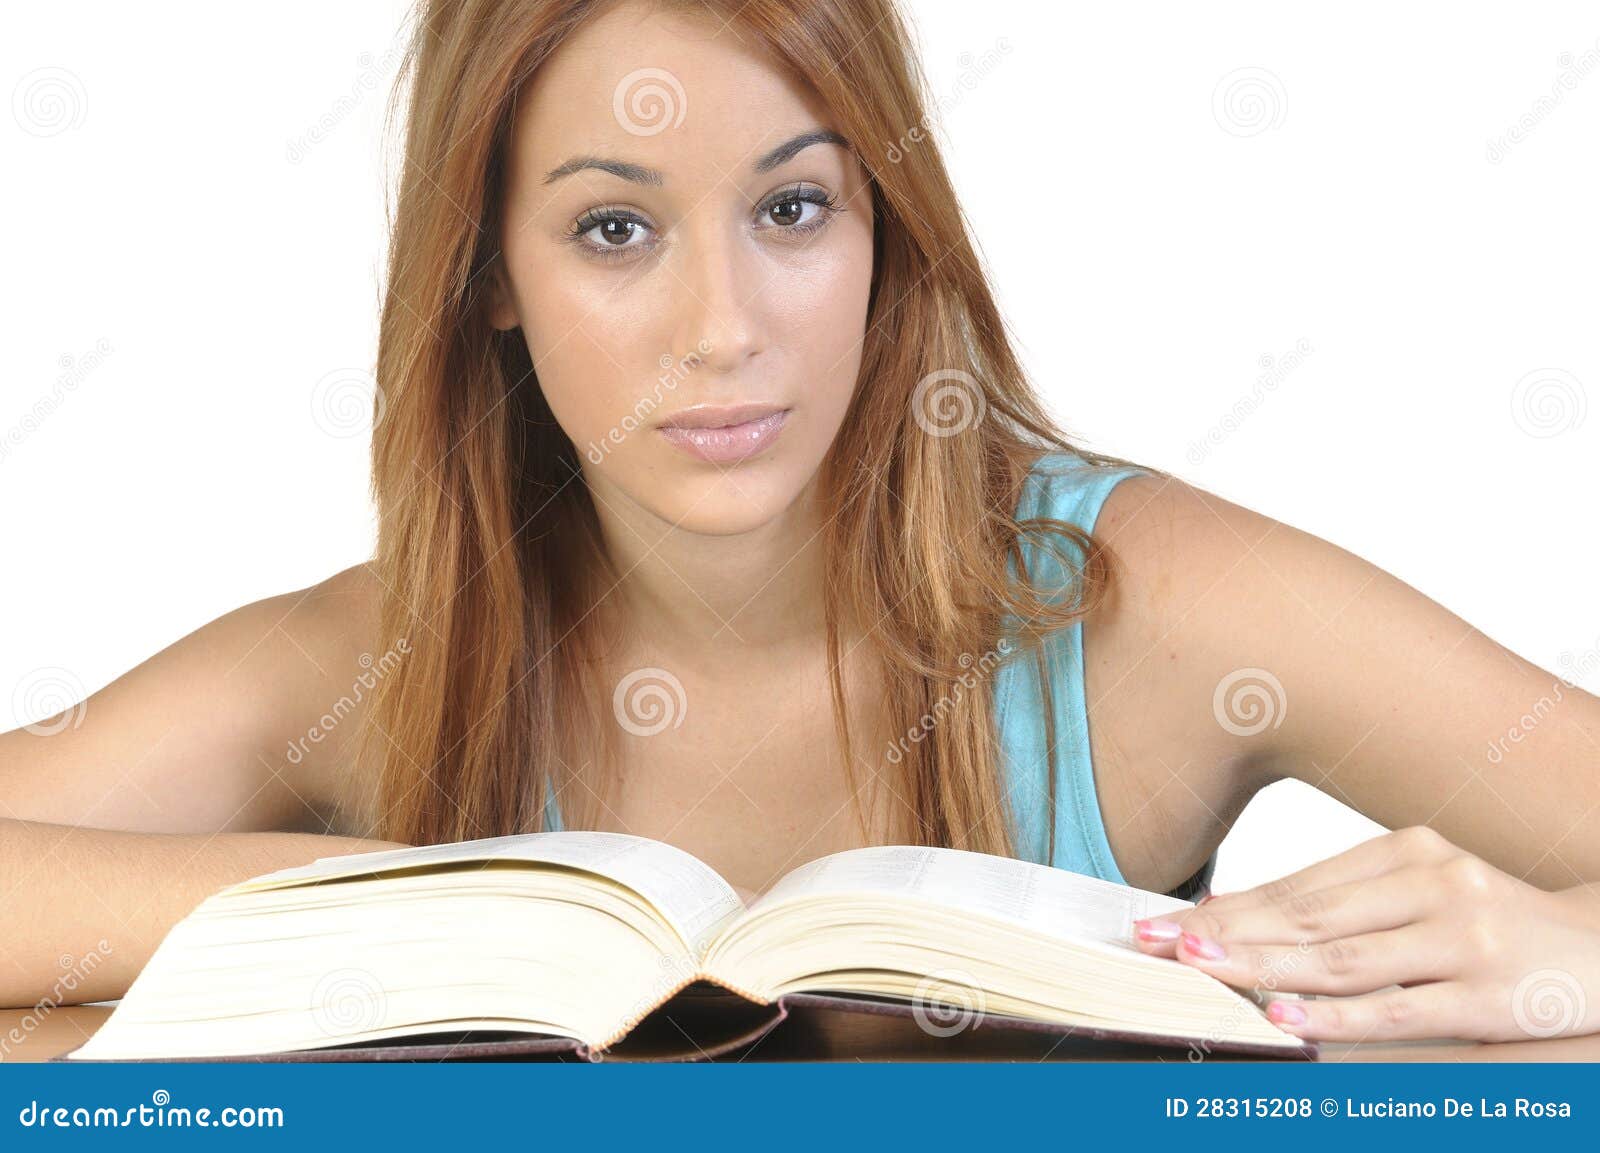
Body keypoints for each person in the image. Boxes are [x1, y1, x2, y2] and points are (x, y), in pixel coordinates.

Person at [3, 0, 1596, 1046]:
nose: (723, 326)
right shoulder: (381, 655)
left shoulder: (1150, 602)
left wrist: (1560, 957)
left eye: (791, 207)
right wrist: (396, 910)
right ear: (489, 274)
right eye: (613, 227)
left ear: (884, 231)